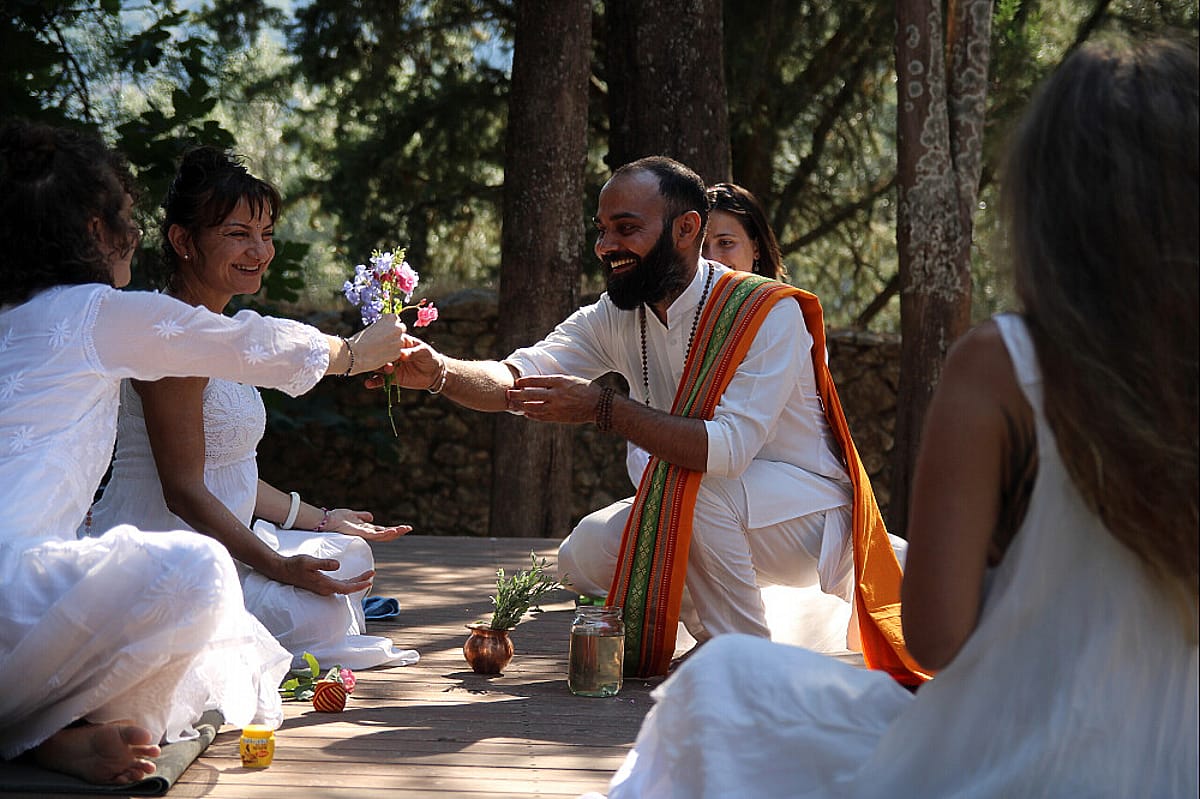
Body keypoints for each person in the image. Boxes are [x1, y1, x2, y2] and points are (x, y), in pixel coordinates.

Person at [588, 37, 1199, 798]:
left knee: (725, 684)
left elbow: (938, 634)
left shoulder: (1002, 366)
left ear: (1050, 205)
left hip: (1031, 754)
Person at [386, 156, 922, 682]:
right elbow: (516, 379)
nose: (605, 247)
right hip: (707, 507)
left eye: (626, 229)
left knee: (697, 483)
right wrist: (440, 372)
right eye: (601, 231)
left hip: (808, 519)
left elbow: (726, 451)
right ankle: (720, 626)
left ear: (687, 228)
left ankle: (741, 658)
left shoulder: (766, 311)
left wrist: (603, 409)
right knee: (583, 555)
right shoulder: (616, 316)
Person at [0, 121, 408, 785]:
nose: (136, 232)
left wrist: (319, 518)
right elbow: (247, 344)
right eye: (127, 217)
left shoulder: (15, 315)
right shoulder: (99, 311)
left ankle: (46, 733)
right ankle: (45, 730)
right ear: (91, 230)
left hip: (35, 584)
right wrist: (357, 353)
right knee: (199, 577)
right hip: (17, 587)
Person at [86, 146, 420, 671]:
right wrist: (280, 567)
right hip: (167, 558)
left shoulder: (223, 334)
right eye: (238, 234)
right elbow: (185, 491)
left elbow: (230, 471)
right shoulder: (172, 335)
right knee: (316, 605)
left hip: (228, 547)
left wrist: (323, 519)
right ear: (183, 241)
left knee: (348, 555)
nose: (259, 251)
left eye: (266, 234)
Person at [701, 182, 786, 280]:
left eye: (725, 243)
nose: (711, 258)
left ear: (756, 248)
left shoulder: (781, 295)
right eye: (701, 245)